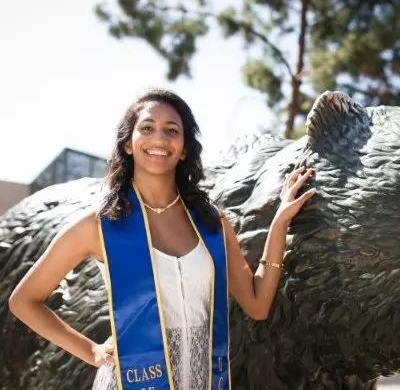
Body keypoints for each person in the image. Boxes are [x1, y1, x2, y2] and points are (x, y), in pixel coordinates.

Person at [8, 89, 317, 390]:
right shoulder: (99, 226)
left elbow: (257, 304)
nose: (159, 138)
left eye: (172, 130)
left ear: (183, 149)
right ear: (128, 144)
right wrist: (91, 352)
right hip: (132, 380)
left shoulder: (211, 223)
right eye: (147, 128)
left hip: (202, 377)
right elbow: (24, 301)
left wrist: (280, 223)